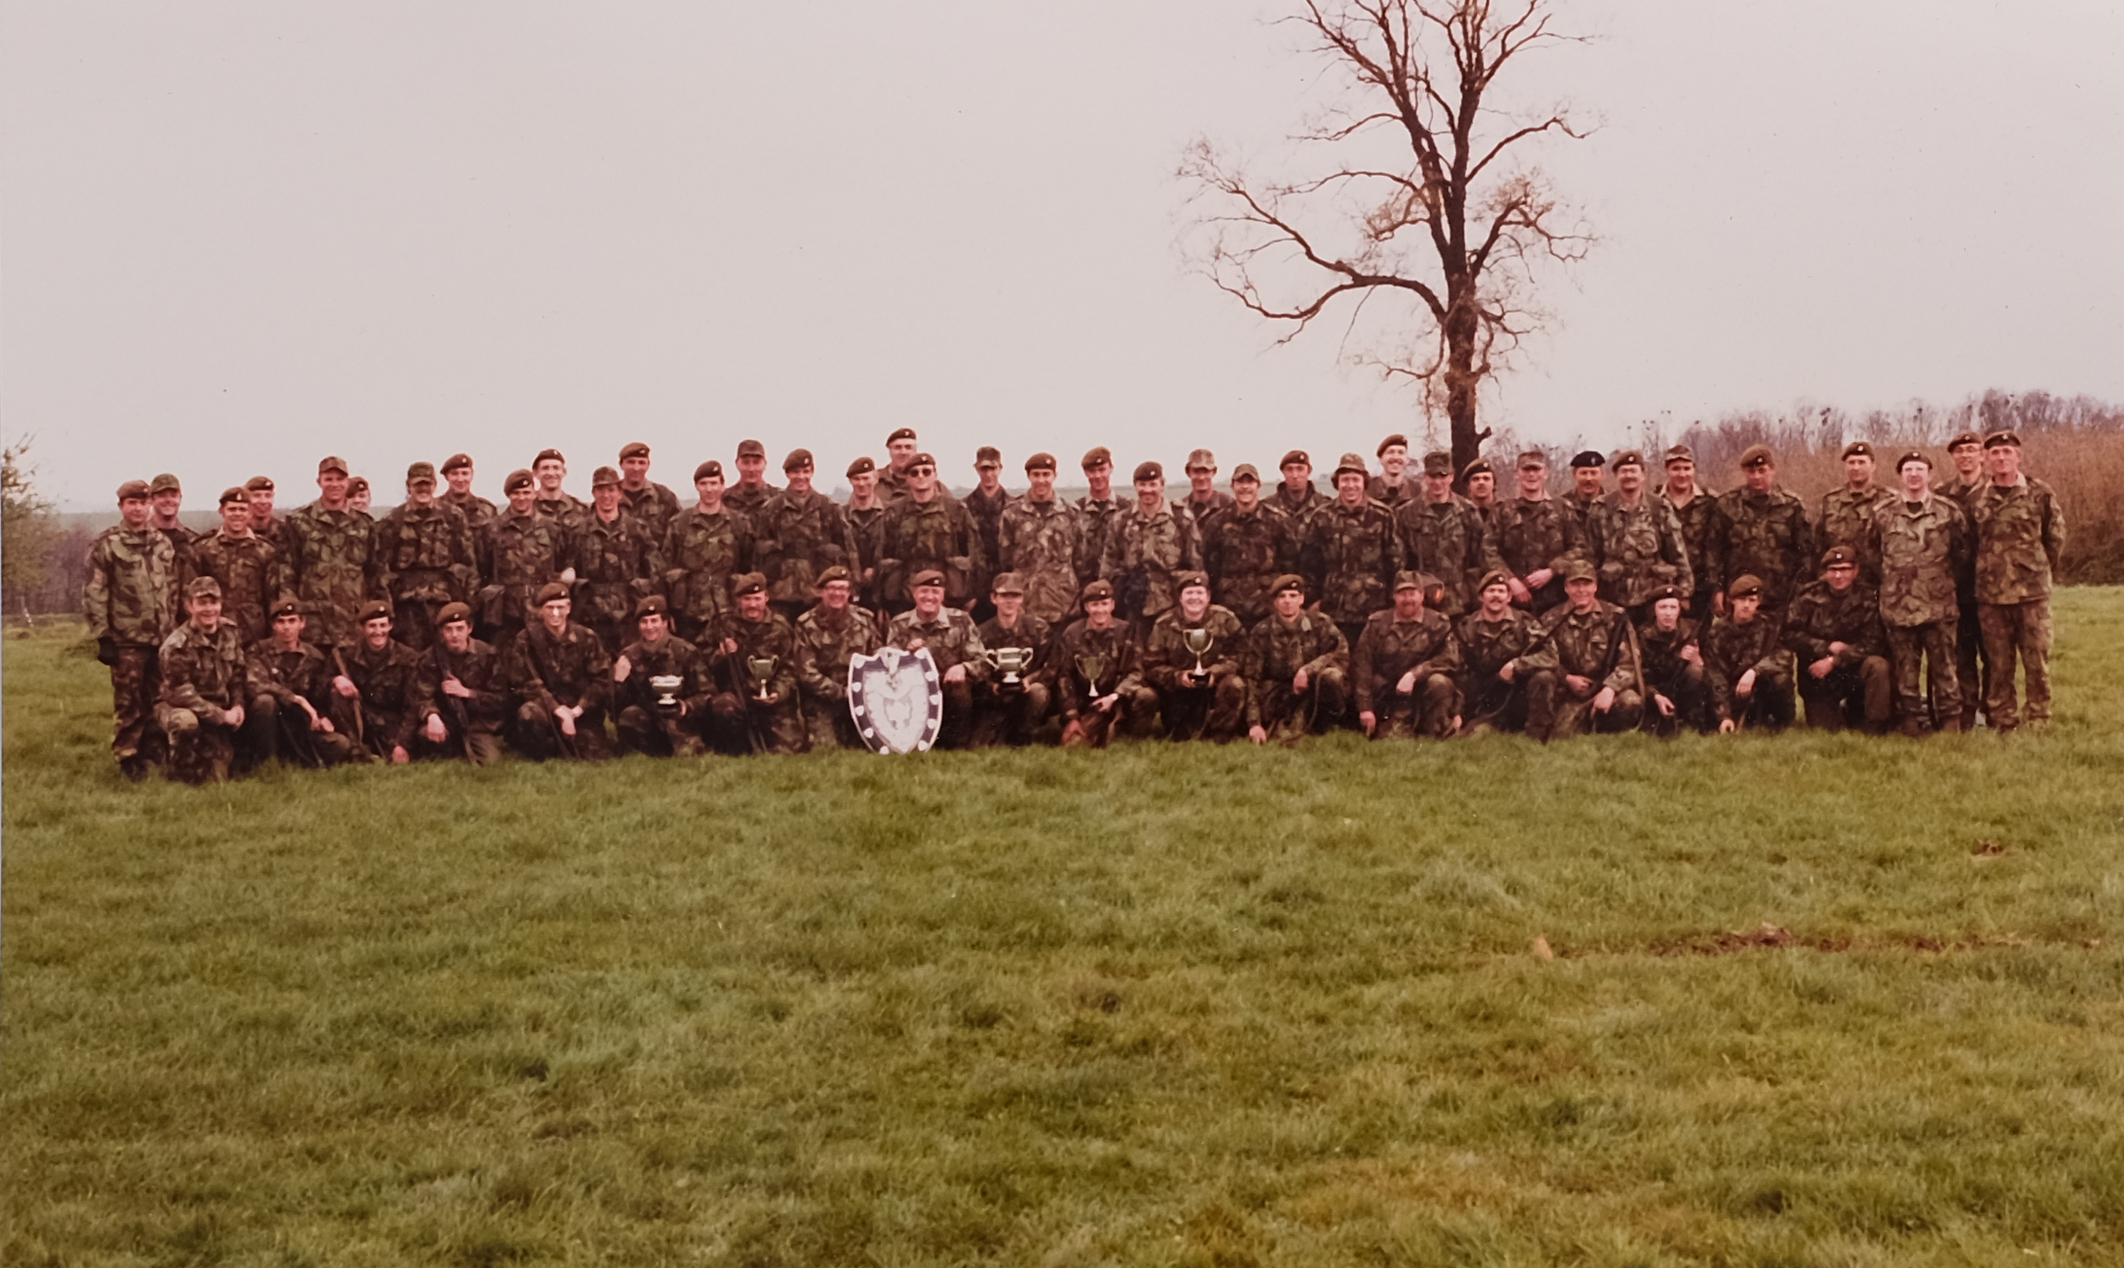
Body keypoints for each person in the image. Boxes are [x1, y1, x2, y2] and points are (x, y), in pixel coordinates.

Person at [1969, 430, 2066, 734]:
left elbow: (2055, 537)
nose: (2001, 458)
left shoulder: (2040, 492)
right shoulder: (1977, 499)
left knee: (2036, 661)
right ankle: (2003, 719)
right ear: (1986, 458)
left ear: (2018, 457)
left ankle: (2038, 717)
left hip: (2031, 595)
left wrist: (2036, 568)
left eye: (2007, 452)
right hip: (1992, 597)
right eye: (1994, 453)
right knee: (1998, 665)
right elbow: (1968, 543)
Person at [86, 480, 181, 780]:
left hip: (161, 639)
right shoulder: (108, 544)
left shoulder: (162, 543)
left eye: (142, 502)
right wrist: (103, 635)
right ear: (121, 507)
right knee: (129, 703)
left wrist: (174, 631)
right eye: (131, 503)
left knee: (158, 700)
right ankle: (128, 757)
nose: (138, 508)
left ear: (149, 504)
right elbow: (95, 591)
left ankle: (154, 754)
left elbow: (173, 589)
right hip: (127, 641)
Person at [1872, 450, 1971, 735]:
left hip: (1938, 606)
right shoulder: (1883, 513)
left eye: (1919, 469)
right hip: (1899, 607)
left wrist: (1941, 583)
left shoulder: (1948, 511)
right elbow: (1872, 556)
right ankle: (1910, 722)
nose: (1914, 474)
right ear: (1900, 476)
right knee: (1906, 669)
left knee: (1945, 668)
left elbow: (1962, 555)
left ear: (1930, 475)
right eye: (1908, 470)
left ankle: (1950, 720)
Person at [244, 595, 363, 769]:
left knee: (340, 745)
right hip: (270, 725)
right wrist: (296, 699)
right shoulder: (258, 651)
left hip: (301, 726)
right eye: (281, 622)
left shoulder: (314, 656)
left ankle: (297, 759)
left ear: (302, 623)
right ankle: (267, 763)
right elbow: (255, 684)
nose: (287, 627)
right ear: (273, 626)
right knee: (265, 702)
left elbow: (319, 694)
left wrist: (322, 718)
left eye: (292, 621)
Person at [1782, 545, 1891, 733]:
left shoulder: (1868, 597)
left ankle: (1874, 727)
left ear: (1855, 571)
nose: (1838, 576)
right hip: (1818, 676)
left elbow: (1875, 642)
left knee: (1878, 666)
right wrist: (1826, 647)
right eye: (1833, 570)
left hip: (1853, 670)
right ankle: (1842, 713)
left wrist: (1835, 660)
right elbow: (1789, 634)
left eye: (1844, 570)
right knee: (1824, 731)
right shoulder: (1808, 596)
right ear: (1824, 573)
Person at [1705, 445, 1814, 630]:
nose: (1756, 477)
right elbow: (1714, 551)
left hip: (1780, 596)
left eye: (1762, 471)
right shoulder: (1727, 504)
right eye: (1751, 471)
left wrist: (1801, 593)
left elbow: (1807, 554)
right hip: (1739, 596)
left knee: (1778, 652)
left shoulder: (1792, 506)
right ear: (1743, 471)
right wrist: (1717, 589)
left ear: (1773, 469)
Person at [374, 460, 478, 651]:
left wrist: (465, 608)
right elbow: (382, 570)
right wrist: (389, 612)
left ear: (435, 485)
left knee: (446, 658)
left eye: (427, 485)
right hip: (406, 608)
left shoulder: (452, 517)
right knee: (411, 661)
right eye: (417, 485)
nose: (422, 490)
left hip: (444, 604)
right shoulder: (393, 521)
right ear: (409, 486)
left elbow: (468, 566)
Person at [1304, 452, 1403, 648]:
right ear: (1337, 483)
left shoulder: (1382, 516)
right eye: (1345, 480)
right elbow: (1310, 563)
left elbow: (1396, 562)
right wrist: (1313, 600)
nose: (1350, 485)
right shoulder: (1322, 517)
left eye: (1355, 480)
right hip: (1334, 607)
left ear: (1364, 482)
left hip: (1374, 608)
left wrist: (1394, 602)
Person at [155, 576, 249, 784]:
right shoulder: (177, 645)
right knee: (186, 722)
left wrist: (238, 705)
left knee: (217, 779)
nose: (209, 609)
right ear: (189, 606)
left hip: (219, 710)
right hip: (181, 707)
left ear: (221, 604)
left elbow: (238, 675)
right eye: (202, 603)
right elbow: (182, 694)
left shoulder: (230, 632)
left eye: (213, 602)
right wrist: (221, 716)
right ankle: (179, 773)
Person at [504, 582, 612, 760]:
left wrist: (576, 711)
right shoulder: (526, 639)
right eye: (550, 608)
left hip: (579, 710)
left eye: (560, 607)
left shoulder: (587, 637)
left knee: (594, 755)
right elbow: (526, 683)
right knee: (529, 714)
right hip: (545, 707)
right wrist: (559, 711)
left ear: (569, 607)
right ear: (540, 611)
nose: (555, 613)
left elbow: (601, 680)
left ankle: (561, 740)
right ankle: (538, 752)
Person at [1538, 559, 1644, 739]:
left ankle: (1606, 733)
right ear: (1566, 588)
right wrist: (1566, 678)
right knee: (1563, 735)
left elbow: (1630, 662)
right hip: (1568, 691)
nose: (1581, 590)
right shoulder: (1551, 619)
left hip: (1605, 687)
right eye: (1575, 584)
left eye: (1586, 584)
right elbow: (1541, 657)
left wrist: (1610, 688)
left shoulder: (1616, 616)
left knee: (1631, 703)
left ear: (1595, 586)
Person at [884, 568, 990, 749]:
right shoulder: (899, 624)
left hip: (951, 692)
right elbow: (890, 668)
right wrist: (907, 655)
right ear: (914, 593)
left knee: (959, 688)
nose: (929, 597)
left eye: (935, 592)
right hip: (914, 693)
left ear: (943, 595)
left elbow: (982, 662)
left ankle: (954, 745)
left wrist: (964, 667)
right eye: (924, 591)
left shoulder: (961, 620)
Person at [283, 455, 379, 649]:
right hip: (312, 623)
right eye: (329, 479)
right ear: (319, 482)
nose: (334, 484)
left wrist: (377, 614)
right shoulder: (299, 521)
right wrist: (291, 616)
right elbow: (287, 572)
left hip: (353, 622)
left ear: (347, 482)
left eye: (340, 479)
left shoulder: (364, 524)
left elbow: (376, 573)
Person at [1141, 570, 1248, 742]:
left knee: (1234, 684)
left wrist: (1216, 672)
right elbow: (1152, 665)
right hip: (1178, 690)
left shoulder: (1225, 618)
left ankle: (1222, 732)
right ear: (1180, 597)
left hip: (1215, 686)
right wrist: (1177, 676)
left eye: (1199, 592)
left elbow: (1241, 654)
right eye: (1189, 593)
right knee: (1181, 735)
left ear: (1208, 596)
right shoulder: (1164, 624)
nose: (1194, 598)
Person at [1585, 449, 1692, 619]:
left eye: (1633, 470)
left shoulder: (1659, 506)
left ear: (1643, 474)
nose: (1629, 476)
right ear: (1616, 475)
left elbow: (1678, 553)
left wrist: (1684, 592)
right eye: (1624, 471)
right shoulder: (1601, 507)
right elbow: (1591, 555)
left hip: (1653, 596)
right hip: (1613, 597)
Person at [1101, 460, 1201, 642]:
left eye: (1152, 484)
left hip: (1172, 606)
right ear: (1135, 485)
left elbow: (1195, 566)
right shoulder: (1121, 521)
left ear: (1162, 485)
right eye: (1142, 484)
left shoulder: (1181, 519)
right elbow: (1108, 567)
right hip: (1132, 606)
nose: (1147, 490)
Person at [1353, 571, 1461, 740]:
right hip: (1388, 694)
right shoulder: (1377, 623)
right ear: (1394, 596)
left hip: (1421, 692)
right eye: (1402, 594)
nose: (1407, 599)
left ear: (1422, 595)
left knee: (1440, 682)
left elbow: (1450, 658)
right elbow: (1362, 665)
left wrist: (1415, 674)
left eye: (1413, 594)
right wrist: (1365, 709)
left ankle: (1434, 730)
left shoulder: (1439, 623)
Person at [756, 449, 860, 623]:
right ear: (788, 474)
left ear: (812, 472)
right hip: (781, 594)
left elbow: (849, 550)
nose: (801, 477)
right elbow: (759, 553)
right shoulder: (772, 509)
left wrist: (853, 587)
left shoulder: (828, 507)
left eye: (805, 472)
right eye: (796, 472)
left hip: (818, 592)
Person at [706, 573, 806, 755]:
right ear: (738, 601)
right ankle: (735, 750)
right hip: (735, 695)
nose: (752, 605)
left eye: (757, 599)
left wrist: (777, 693)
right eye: (747, 599)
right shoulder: (722, 623)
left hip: (771, 700)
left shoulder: (780, 627)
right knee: (724, 707)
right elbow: (702, 660)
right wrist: (720, 654)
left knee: (788, 750)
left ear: (766, 598)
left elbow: (790, 667)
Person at [1244, 574, 1349, 744]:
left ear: (1302, 599)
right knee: (1284, 736)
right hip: (1278, 695)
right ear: (1275, 602)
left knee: (1332, 677)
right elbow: (1252, 678)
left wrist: (1307, 670)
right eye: (1282, 596)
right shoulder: (1261, 631)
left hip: (1311, 689)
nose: (1287, 601)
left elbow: (1339, 652)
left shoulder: (1320, 622)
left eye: (1293, 596)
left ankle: (1328, 726)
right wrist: (1254, 723)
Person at [1394, 450, 1499, 617]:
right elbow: (1400, 561)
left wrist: (1473, 595)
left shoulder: (1467, 511)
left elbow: (1478, 558)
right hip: (1423, 603)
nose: (1437, 482)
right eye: (1432, 476)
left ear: (1451, 477)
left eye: (1443, 476)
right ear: (1425, 477)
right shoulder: (1406, 513)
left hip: (1461, 602)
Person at [569, 465, 661, 655]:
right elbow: (568, 569)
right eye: (600, 490)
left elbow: (655, 570)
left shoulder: (636, 529)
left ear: (620, 493)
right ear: (593, 493)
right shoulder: (579, 531)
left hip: (630, 614)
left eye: (611, 490)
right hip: (592, 615)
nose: (606, 496)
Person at [877, 452, 984, 614]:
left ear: (935, 475)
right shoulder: (894, 512)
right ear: (907, 478)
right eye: (914, 473)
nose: (920, 476)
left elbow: (976, 554)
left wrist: (975, 595)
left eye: (926, 471)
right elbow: (882, 557)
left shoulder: (955, 509)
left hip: (949, 597)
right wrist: (880, 603)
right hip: (904, 598)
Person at [662, 460, 756, 644]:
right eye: (704, 484)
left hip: (728, 612)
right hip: (689, 614)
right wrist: (667, 612)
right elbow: (665, 569)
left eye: (714, 483)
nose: (709, 489)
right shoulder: (680, 523)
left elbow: (749, 566)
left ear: (723, 486)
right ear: (697, 486)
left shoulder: (739, 523)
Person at [1051, 579, 1154, 748]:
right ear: (1086, 607)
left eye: (1104, 604)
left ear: (1112, 605)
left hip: (1118, 699)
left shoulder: (1127, 631)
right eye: (1094, 605)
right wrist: (1072, 716)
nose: (1100, 610)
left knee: (1147, 696)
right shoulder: (1072, 633)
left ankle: (1133, 736)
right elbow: (1064, 676)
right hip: (1086, 701)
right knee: (1075, 745)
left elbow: (1137, 672)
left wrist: (1115, 696)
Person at [1454, 569, 1555, 737]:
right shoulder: (1466, 627)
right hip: (1486, 699)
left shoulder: (1525, 622)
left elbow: (1550, 655)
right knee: (1477, 736)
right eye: (1491, 591)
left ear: (1509, 597)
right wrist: (1457, 711)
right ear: (1481, 597)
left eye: (1501, 591)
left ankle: (1538, 735)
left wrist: (1516, 665)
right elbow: (1457, 671)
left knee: (1544, 676)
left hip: (1518, 695)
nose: (1496, 595)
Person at [330, 598, 432, 764]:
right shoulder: (345, 654)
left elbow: (413, 704)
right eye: (372, 626)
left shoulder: (407, 657)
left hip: (392, 723)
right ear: (361, 628)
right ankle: (355, 750)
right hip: (360, 720)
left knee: (399, 756)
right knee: (336, 694)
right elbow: (319, 687)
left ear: (390, 626)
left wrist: (403, 745)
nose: (378, 631)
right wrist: (336, 680)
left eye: (383, 625)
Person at [611, 595, 712, 758]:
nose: (649, 627)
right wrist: (618, 682)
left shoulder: (685, 651)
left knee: (688, 755)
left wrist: (686, 706)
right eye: (644, 622)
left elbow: (708, 693)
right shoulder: (629, 655)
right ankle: (652, 751)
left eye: (654, 621)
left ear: (665, 622)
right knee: (630, 716)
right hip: (649, 722)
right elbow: (616, 710)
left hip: (681, 720)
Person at [794, 566, 882, 751]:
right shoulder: (806, 623)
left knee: (874, 747)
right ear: (822, 592)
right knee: (826, 751)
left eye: (842, 588)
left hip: (862, 699)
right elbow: (806, 672)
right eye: (832, 588)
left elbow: (877, 658)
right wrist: (841, 692)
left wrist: (862, 691)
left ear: (849, 592)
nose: (837, 593)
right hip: (823, 701)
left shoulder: (865, 619)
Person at [478, 468, 570, 646]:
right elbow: (483, 568)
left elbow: (561, 562)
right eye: (516, 493)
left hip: (542, 610)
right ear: (508, 495)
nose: (521, 498)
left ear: (535, 494)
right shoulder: (492, 529)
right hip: (506, 613)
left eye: (526, 493)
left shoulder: (551, 527)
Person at [416, 601, 512, 765]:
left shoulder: (487, 654)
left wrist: (467, 693)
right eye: (448, 629)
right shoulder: (429, 658)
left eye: (459, 628)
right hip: (445, 720)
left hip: (478, 724)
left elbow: (501, 699)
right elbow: (421, 695)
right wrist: (432, 715)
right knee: (426, 737)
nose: (454, 635)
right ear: (441, 632)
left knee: (492, 763)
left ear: (470, 628)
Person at [997, 451, 1087, 626]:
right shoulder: (1012, 514)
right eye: (1036, 475)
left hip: (1064, 606)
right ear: (1029, 476)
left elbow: (1081, 560)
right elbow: (1005, 560)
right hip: (1025, 607)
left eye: (1046, 474)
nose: (1041, 480)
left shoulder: (1071, 513)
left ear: (1054, 475)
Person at [181, 485, 280, 645]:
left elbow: (273, 597)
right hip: (213, 635)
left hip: (255, 637)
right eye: (232, 509)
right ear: (222, 511)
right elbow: (188, 594)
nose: (237, 514)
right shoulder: (202, 548)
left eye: (242, 509)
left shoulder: (265, 550)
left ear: (250, 512)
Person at [1200, 463, 1294, 627]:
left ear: (1258, 486)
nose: (1245, 487)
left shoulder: (1278, 520)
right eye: (1240, 482)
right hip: (1228, 611)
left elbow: (1290, 565)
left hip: (1268, 611)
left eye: (1250, 482)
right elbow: (1210, 568)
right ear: (1232, 486)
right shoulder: (1216, 522)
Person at [1490, 449, 1582, 614]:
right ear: (1517, 474)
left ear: (1545, 473)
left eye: (1536, 470)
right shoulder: (1503, 510)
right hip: (1513, 601)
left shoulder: (1562, 508)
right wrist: (1510, 580)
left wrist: (1552, 571)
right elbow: (1488, 551)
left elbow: (1579, 548)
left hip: (1555, 601)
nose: (1531, 475)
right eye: (1526, 470)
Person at [1940, 429, 1990, 730]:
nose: (1966, 455)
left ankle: (1998, 715)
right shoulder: (1943, 494)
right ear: (1953, 457)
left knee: (1994, 659)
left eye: (1971, 449)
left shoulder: (1996, 489)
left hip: (1992, 590)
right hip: (1956, 590)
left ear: (1981, 454)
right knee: (1961, 658)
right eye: (1960, 451)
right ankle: (1966, 717)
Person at [1702, 574, 1794, 733]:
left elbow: (1784, 656)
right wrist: (1724, 716)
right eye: (1742, 599)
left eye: (1752, 600)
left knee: (1781, 679)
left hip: (1760, 689)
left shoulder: (1770, 626)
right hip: (1733, 694)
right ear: (1732, 600)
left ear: (1758, 602)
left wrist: (1754, 672)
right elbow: (1716, 675)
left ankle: (1779, 725)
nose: (1746, 605)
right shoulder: (1717, 633)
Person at [973, 572, 1054, 747]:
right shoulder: (982, 632)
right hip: (995, 695)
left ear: (1022, 599)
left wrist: (1029, 680)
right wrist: (992, 686)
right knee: (980, 744)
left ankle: (1023, 733)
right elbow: (977, 667)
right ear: (994, 598)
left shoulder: (1038, 628)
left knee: (1038, 692)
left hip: (1026, 692)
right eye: (1004, 595)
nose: (1009, 601)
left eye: (1015, 595)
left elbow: (1050, 665)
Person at [1816, 441, 1897, 586]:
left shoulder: (1890, 499)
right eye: (1851, 462)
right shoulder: (1831, 500)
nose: (1856, 467)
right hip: (1840, 584)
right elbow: (1819, 544)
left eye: (1861, 462)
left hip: (1876, 583)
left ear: (1873, 466)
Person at [1635, 584, 1709, 736]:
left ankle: (1691, 720)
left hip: (1684, 690)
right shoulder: (1643, 635)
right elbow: (1640, 674)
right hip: (1654, 693)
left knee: (1695, 672)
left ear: (1679, 610)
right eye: (1662, 607)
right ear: (1654, 611)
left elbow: (1711, 668)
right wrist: (1655, 696)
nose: (1668, 613)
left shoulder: (1693, 630)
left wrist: (1697, 659)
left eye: (1673, 607)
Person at [1660, 445, 1720, 623]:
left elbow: (1718, 546)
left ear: (1694, 469)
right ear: (1667, 470)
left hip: (1701, 587)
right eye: (1675, 468)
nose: (1682, 474)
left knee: (1699, 643)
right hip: (1664, 588)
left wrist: (1717, 588)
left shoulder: (1711, 501)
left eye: (1687, 468)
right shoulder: (1654, 501)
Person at [963, 445, 1013, 611]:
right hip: (974, 590)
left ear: (1000, 468)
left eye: (992, 468)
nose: (988, 474)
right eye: (984, 469)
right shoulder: (963, 508)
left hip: (1006, 588)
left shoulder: (1015, 507)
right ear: (976, 468)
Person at [843, 456, 889, 612]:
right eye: (856, 479)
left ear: (876, 478)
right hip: (848, 592)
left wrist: (876, 569)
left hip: (884, 593)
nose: (861, 483)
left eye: (865, 478)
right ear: (850, 481)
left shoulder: (890, 514)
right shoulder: (840, 515)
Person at [1075, 447, 1125, 582]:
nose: (1097, 476)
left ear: (1111, 468)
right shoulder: (1075, 510)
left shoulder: (1127, 509)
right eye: (1092, 471)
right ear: (1085, 472)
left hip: (1119, 586)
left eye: (1102, 470)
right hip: (1084, 587)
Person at [615, 441, 681, 544]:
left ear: (648, 465)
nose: (636, 468)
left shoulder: (664, 497)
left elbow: (679, 534)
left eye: (641, 463)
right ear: (621, 464)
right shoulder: (609, 497)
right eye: (631, 462)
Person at [439, 453, 498, 538]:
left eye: (465, 473)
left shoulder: (487, 510)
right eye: (454, 474)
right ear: (447, 477)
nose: (460, 479)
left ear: (472, 475)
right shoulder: (436, 508)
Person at [530, 447, 588, 530]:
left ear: (564, 472)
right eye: (545, 468)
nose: (551, 473)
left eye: (556, 468)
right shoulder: (528, 507)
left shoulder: (581, 509)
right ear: (535, 473)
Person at [1176, 448, 1235, 527]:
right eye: (1196, 471)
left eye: (1205, 471)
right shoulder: (1179, 510)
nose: (1201, 477)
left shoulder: (1229, 506)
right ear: (1188, 472)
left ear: (1214, 471)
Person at [1271, 449, 1328, 528]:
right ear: (1283, 472)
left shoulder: (1324, 506)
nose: (1295, 475)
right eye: (1289, 469)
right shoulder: (1269, 507)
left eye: (1300, 469)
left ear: (1309, 471)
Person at [726, 438, 781, 516]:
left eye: (756, 462)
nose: (751, 469)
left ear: (765, 464)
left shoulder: (779, 498)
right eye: (746, 462)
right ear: (737, 464)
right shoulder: (724, 500)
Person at [1366, 434, 1417, 510]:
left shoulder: (1417, 491)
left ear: (1407, 460)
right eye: (1391, 452)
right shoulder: (1368, 490)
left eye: (1401, 452)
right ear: (1380, 458)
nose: (1396, 457)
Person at [148, 473, 196, 552]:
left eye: (173, 495)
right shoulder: (138, 540)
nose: (168, 500)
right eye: (162, 496)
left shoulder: (193, 541)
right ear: (151, 499)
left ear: (180, 498)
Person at [1563, 451, 1606, 535]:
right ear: (1574, 474)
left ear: (1602, 475)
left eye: (1593, 473)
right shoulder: (1562, 505)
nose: (1588, 478)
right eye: (1583, 473)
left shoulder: (1612, 505)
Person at [878, 427, 922, 502]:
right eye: (898, 447)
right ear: (890, 450)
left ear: (915, 451)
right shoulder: (873, 480)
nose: (903, 452)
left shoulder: (927, 482)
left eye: (908, 447)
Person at [246, 475, 288, 553]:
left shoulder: (287, 533)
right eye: (257, 495)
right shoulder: (238, 532)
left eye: (268, 496)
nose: (263, 501)